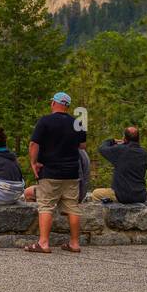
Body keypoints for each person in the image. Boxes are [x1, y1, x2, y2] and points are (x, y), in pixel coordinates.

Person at [25, 91, 87, 254]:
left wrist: (33, 162)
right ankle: (74, 243)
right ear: (67, 106)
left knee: (45, 205)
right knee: (72, 206)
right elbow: (82, 145)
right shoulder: (77, 122)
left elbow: (34, 144)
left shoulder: (45, 121)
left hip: (50, 170)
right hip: (72, 172)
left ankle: (43, 243)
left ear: (54, 103)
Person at [99, 126, 147, 204]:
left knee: (95, 193)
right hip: (140, 196)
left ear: (125, 138)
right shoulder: (145, 154)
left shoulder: (120, 150)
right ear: (138, 139)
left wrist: (112, 141)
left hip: (122, 196)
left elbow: (102, 148)